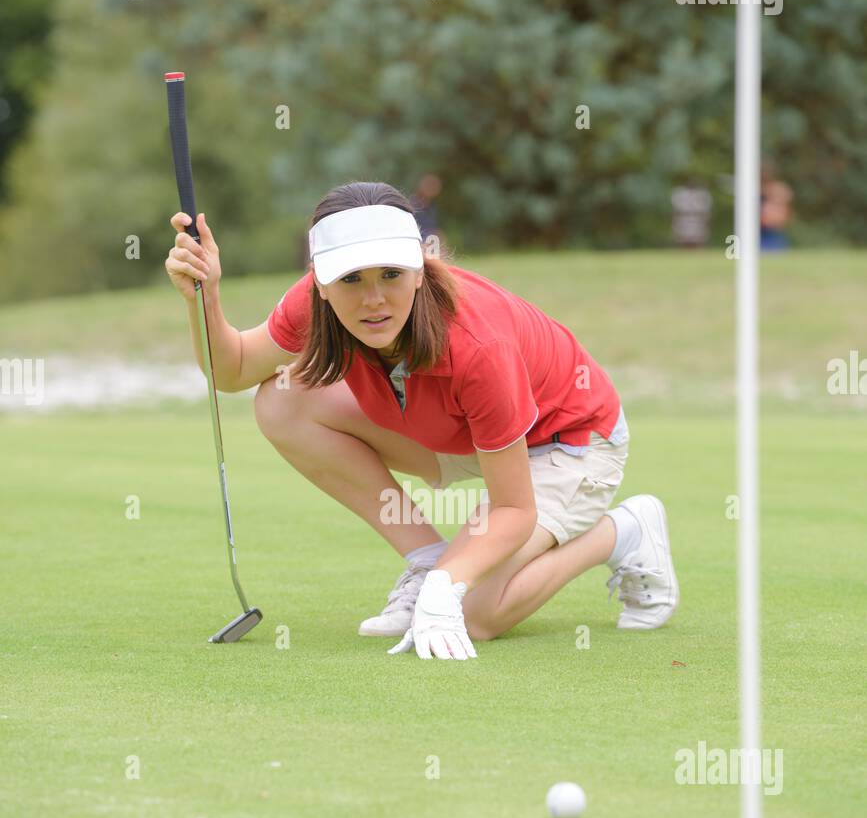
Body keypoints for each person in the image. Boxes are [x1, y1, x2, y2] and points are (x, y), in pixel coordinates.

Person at [165, 181, 679, 662]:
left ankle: (623, 531)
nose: (374, 300)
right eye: (351, 279)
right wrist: (204, 296)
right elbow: (230, 370)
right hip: (460, 433)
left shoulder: (480, 345)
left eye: (390, 274)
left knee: (477, 614)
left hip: (569, 442)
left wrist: (448, 587)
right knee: (281, 398)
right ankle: (425, 558)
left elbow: (513, 507)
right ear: (319, 283)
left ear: (419, 268)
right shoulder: (314, 304)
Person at [760, 162, 793, 251]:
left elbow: (785, 213)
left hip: (773, 233)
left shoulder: (780, 190)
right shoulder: (754, 191)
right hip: (758, 231)